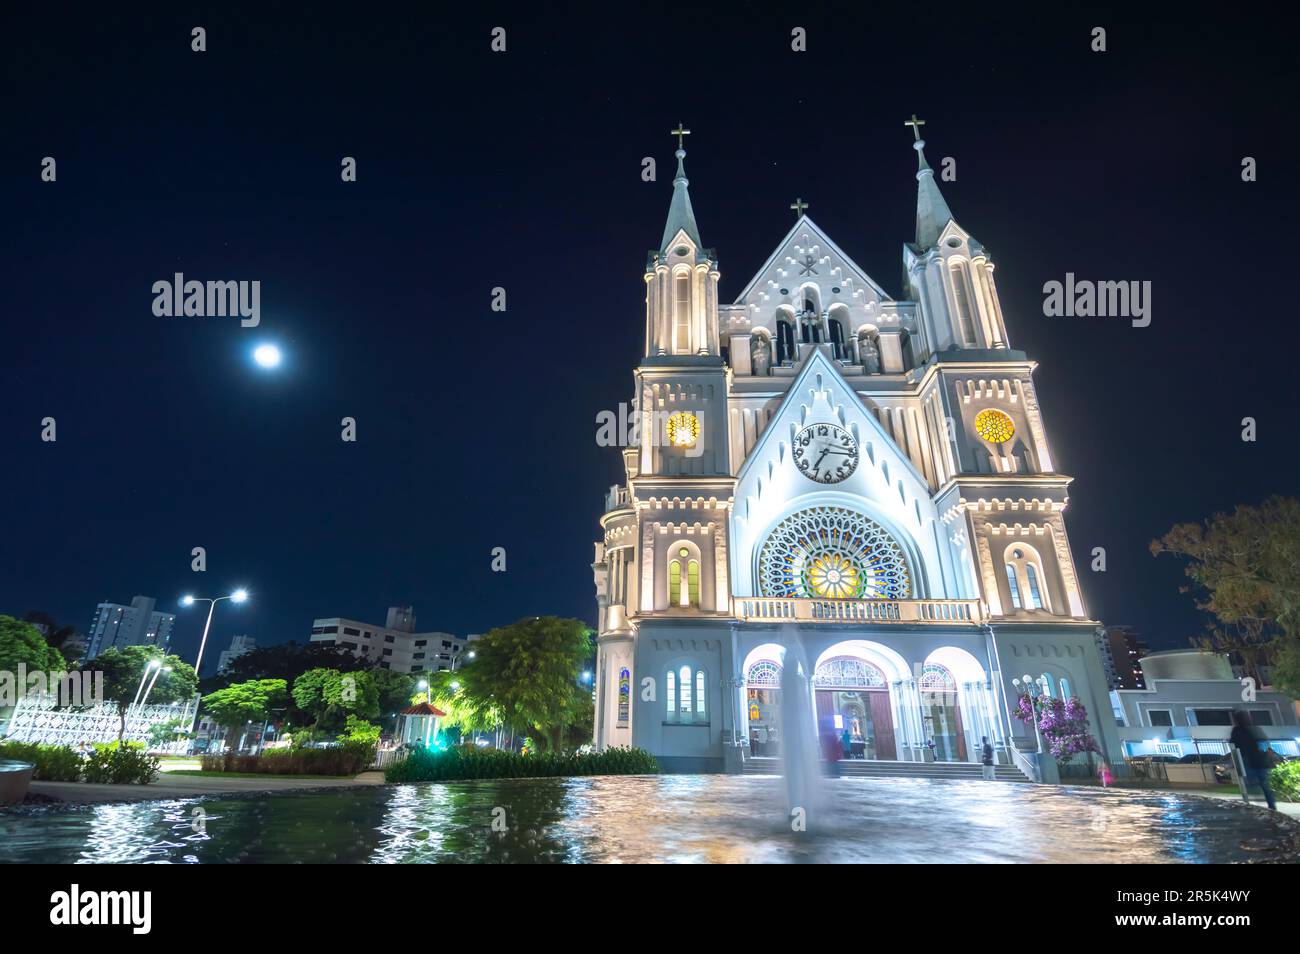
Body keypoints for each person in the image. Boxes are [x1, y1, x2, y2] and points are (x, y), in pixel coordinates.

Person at [1230, 710, 1277, 811]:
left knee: (1256, 785)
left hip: (1251, 761)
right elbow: (1264, 743)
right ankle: (1269, 806)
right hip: (1256, 761)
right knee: (1262, 785)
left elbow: (1234, 745)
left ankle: (1263, 806)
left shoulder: (1239, 730)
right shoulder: (1251, 729)